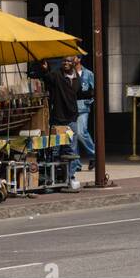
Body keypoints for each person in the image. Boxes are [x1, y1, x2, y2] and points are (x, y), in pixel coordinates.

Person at [38, 59, 81, 188]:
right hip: (58, 117)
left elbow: (76, 93)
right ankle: (53, 177)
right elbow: (48, 78)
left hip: (72, 117)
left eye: (68, 60)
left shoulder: (77, 78)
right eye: (63, 61)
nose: (65, 63)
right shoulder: (57, 75)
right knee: (55, 149)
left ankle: (70, 176)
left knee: (71, 149)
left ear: (74, 62)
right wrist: (46, 69)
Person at [72, 54, 96, 172]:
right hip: (71, 107)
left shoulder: (88, 73)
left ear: (79, 59)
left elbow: (94, 90)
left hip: (83, 107)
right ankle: (76, 163)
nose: (71, 60)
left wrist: (89, 101)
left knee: (81, 132)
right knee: (73, 136)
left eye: (73, 57)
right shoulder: (68, 73)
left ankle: (94, 154)